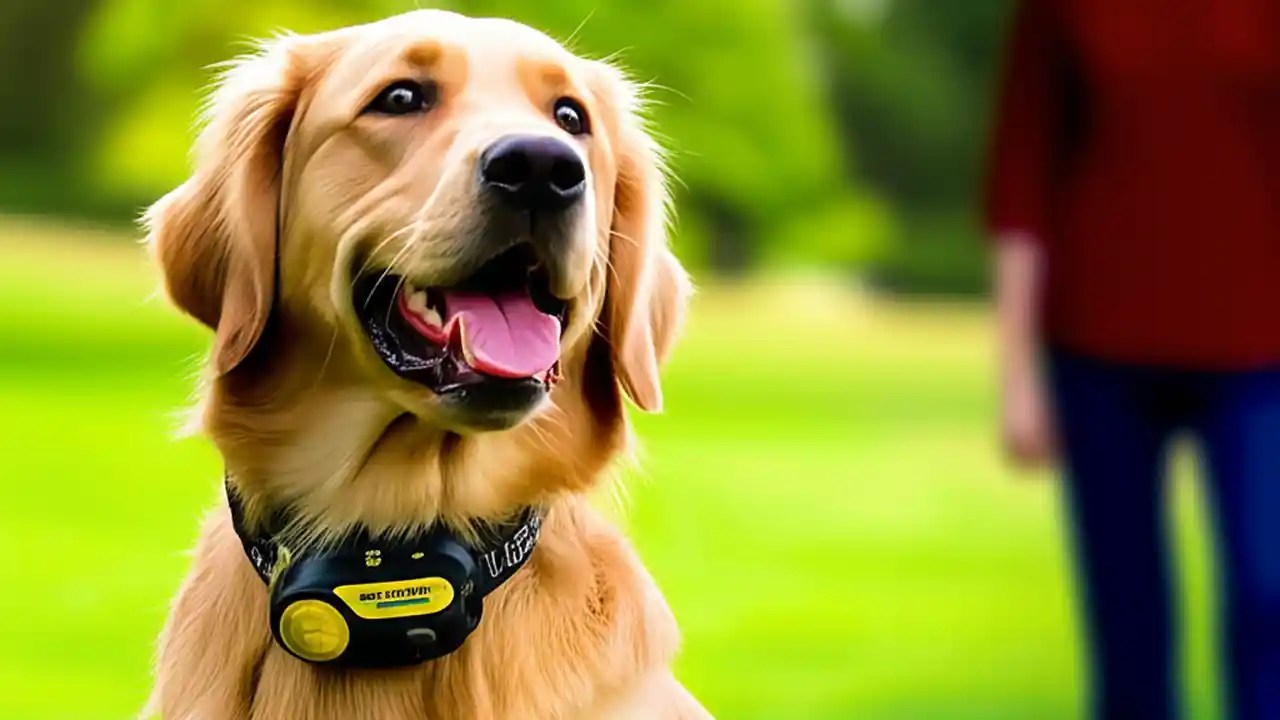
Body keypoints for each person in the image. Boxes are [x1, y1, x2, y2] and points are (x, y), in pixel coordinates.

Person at [987, 1, 1280, 718]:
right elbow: (1022, 179)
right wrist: (1017, 378)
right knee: (1126, 620)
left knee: (1266, 592)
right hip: (1098, 347)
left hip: (1261, 349)